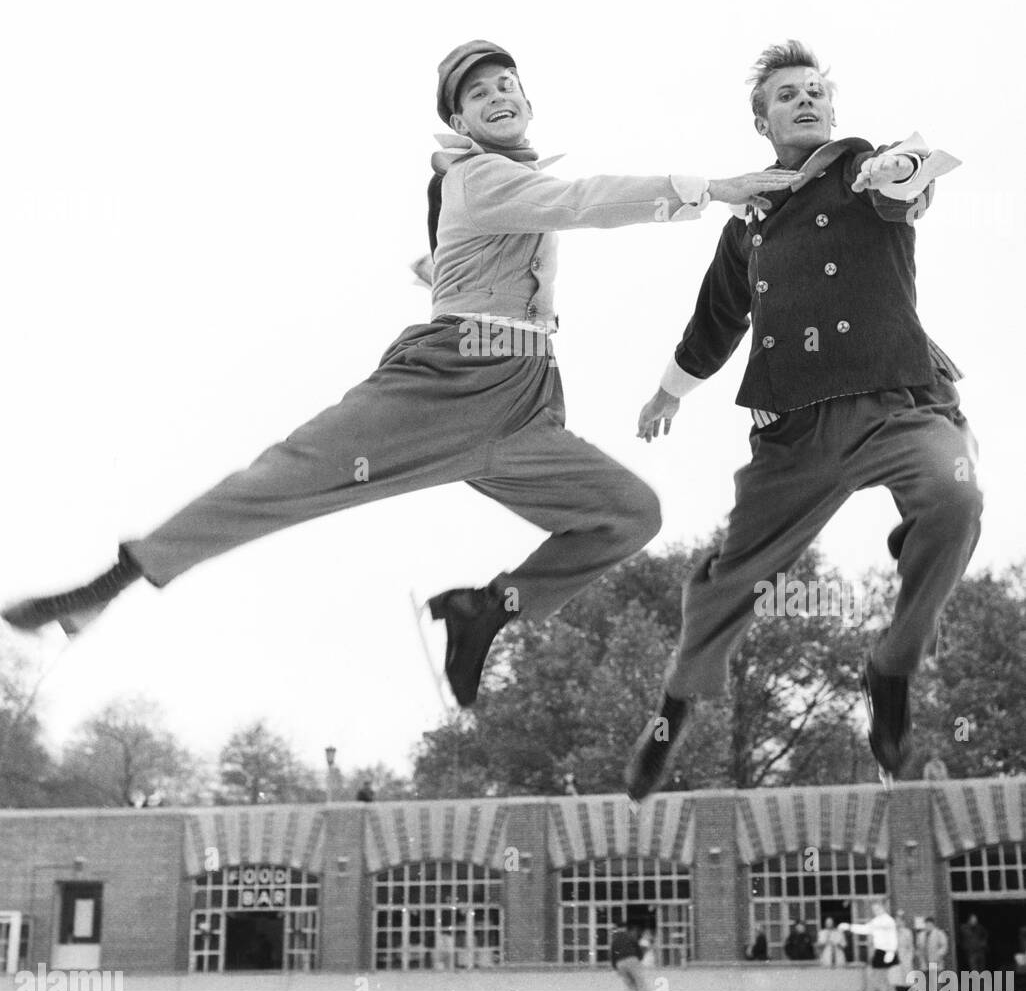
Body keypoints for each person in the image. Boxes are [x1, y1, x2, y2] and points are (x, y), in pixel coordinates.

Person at [2, 41, 796, 711]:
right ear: (457, 122)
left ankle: (486, 609)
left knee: (628, 512)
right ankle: (116, 578)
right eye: (476, 94)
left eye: (507, 85)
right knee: (293, 474)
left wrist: (441, 262)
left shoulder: (501, 183)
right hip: (448, 381)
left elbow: (507, 229)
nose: (497, 96)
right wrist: (713, 190)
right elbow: (580, 200)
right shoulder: (478, 177)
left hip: (523, 408)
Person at [625, 40, 982, 799]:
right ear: (763, 121)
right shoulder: (746, 227)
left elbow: (904, 185)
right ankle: (671, 714)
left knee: (955, 496)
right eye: (789, 95)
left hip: (894, 402)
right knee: (729, 579)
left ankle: (891, 670)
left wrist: (900, 173)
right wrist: (667, 393)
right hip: (794, 433)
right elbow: (714, 324)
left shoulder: (862, 171)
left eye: (817, 91)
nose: (807, 101)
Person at [843, 900, 898, 991]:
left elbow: (892, 937)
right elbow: (865, 929)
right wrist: (849, 927)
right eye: (874, 909)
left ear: (883, 908)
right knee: (880, 978)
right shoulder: (877, 920)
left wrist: (891, 951)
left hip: (885, 952)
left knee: (880, 978)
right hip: (880, 952)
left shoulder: (888, 920)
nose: (875, 911)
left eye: (877, 908)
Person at [610, 922, 649, 991]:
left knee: (630, 985)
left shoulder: (614, 939)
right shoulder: (629, 936)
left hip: (620, 963)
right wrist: (639, 958)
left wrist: (615, 968)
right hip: (631, 959)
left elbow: (613, 955)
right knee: (640, 982)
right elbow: (637, 948)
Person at [890, 909, 916, 991]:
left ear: (902, 921)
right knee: (896, 982)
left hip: (905, 959)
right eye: (895, 920)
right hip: (895, 960)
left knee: (907, 982)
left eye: (899, 920)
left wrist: (909, 958)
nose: (897, 922)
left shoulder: (907, 932)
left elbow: (911, 947)